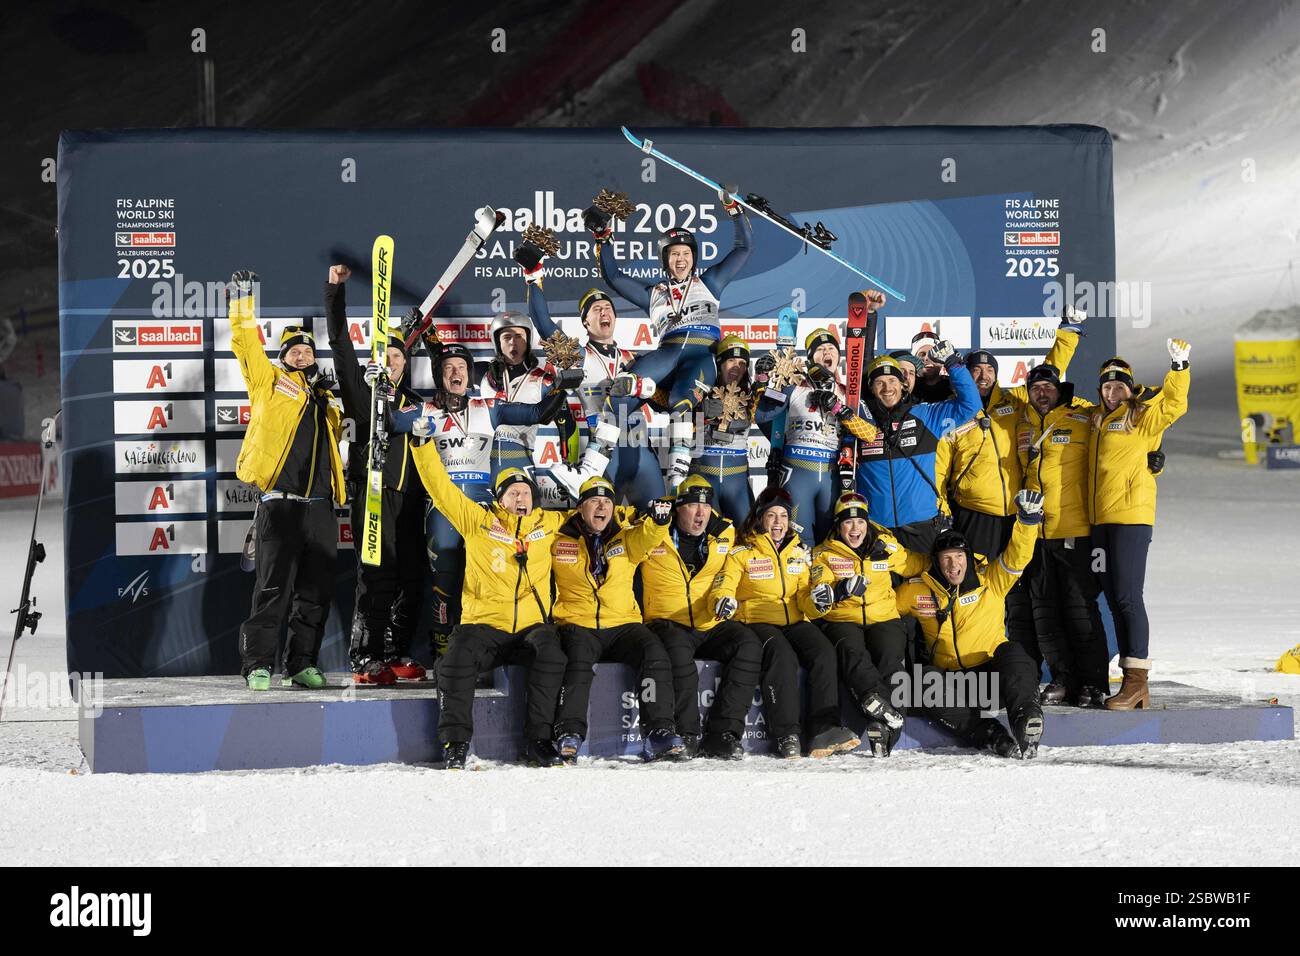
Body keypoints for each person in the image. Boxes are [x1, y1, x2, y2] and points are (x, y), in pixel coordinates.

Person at [409, 436, 568, 769]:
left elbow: (598, 515)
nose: (521, 497)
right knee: (453, 661)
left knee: (552, 652)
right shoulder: (477, 521)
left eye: (525, 492)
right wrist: (422, 446)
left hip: (531, 628)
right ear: (500, 499)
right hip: (484, 627)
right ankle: (455, 742)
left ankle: (540, 740)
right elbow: (440, 489)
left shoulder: (550, 524)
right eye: (513, 493)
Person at [412, 325, 565, 653]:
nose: (456, 373)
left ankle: (483, 641)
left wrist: (563, 384)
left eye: (462, 369)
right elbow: (445, 367)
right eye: (450, 370)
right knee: (446, 573)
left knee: (492, 572)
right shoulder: (435, 406)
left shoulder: (493, 404)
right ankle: (442, 644)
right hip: (445, 500)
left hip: (489, 493)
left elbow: (541, 413)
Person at [588, 188, 753, 490]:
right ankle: (588, 470)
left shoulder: (710, 282)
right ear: (665, 259)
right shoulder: (654, 294)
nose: (680, 260)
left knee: (682, 402)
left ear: (694, 257)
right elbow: (613, 275)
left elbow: (743, 249)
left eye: (686, 254)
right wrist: (603, 238)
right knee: (621, 391)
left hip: (701, 355)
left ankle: (677, 478)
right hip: (668, 353)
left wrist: (733, 209)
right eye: (674, 254)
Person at [228, 271, 344, 691]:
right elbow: (245, 343)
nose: (301, 356)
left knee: (315, 592)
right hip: (279, 502)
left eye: (307, 351)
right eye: (294, 351)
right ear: (284, 356)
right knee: (273, 588)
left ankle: (300, 664)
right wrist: (243, 299)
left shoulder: (325, 396)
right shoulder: (268, 382)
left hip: (320, 505)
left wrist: (326, 396)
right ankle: (257, 663)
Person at [323, 265, 428, 684]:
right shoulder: (360, 391)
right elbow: (338, 342)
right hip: (374, 491)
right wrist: (335, 292)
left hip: (412, 496)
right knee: (377, 574)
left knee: (412, 576)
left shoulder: (417, 402)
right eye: (386, 354)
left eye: (399, 355)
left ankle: (395, 651)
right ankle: (365, 657)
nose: (393, 361)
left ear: (406, 362)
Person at [895, 490, 1047, 758]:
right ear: (936, 562)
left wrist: (1027, 522)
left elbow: (1017, 557)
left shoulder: (991, 580)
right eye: (946, 558)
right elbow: (883, 609)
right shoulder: (918, 591)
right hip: (953, 687)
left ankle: (1027, 720)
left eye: (959, 557)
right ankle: (991, 735)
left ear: (968, 558)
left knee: (1013, 652)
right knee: (924, 681)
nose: (954, 565)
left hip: (991, 683)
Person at [713, 486, 860, 758]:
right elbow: (725, 585)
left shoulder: (798, 552)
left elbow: (804, 596)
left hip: (794, 619)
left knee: (823, 651)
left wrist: (816, 602)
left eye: (783, 516)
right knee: (782, 654)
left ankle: (823, 730)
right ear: (760, 518)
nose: (778, 523)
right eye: (772, 516)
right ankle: (787, 734)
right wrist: (724, 600)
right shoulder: (742, 552)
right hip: (756, 619)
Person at [1087, 339, 1191, 710]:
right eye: (1107, 386)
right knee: (1114, 599)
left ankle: (1136, 682)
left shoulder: (1141, 416)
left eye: (1120, 386)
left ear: (1130, 390)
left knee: (1129, 597)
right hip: (1100, 521)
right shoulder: (1096, 421)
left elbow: (1175, 405)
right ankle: (1129, 678)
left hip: (1131, 518)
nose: (1113, 392)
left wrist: (1178, 369)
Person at [935, 308, 1085, 560]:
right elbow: (939, 467)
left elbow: (1050, 372)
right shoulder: (952, 412)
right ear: (966, 375)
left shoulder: (1013, 401)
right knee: (981, 581)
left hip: (1017, 512)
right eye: (976, 370)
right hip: (975, 512)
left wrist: (1068, 332)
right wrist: (941, 508)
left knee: (1016, 582)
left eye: (989, 370)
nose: (984, 376)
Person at [551, 478, 684, 762]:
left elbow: (647, 536)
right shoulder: (557, 535)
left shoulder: (626, 537)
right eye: (595, 501)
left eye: (608, 502)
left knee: (654, 652)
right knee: (576, 662)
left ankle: (659, 731)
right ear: (580, 507)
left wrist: (660, 522)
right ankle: (569, 732)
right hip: (579, 622)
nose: (602, 507)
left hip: (623, 623)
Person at [642, 475, 763, 760]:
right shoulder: (653, 529)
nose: (701, 513)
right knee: (677, 652)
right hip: (667, 618)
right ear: (677, 507)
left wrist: (722, 598)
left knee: (748, 644)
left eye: (706, 507)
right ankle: (687, 733)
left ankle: (724, 733)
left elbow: (726, 575)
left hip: (709, 618)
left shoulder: (724, 532)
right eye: (694, 506)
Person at [1016, 363, 1109, 707]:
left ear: (1061, 389)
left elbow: (1122, 435)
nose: (1042, 393)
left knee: (1080, 610)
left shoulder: (1084, 414)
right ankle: (1063, 678)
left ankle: (1094, 683)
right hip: (1035, 533)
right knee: (1045, 611)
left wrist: (1149, 458)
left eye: (1049, 387)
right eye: (1036, 388)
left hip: (1074, 530)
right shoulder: (1022, 420)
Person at [524, 278, 662, 506]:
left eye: (608, 308)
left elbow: (663, 403)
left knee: (659, 526)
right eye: (596, 310)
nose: (604, 312)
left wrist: (650, 389)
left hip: (642, 454)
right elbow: (543, 324)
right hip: (606, 457)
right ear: (585, 322)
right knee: (602, 531)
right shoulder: (579, 358)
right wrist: (533, 275)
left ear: (615, 317)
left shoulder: (635, 359)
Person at [808, 493, 925, 756]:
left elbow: (914, 564)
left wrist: (953, 561)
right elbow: (820, 585)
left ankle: (884, 731)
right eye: (848, 523)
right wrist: (840, 588)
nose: (855, 529)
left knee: (891, 662)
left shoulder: (884, 544)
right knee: (853, 654)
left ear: (867, 523)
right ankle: (877, 701)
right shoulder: (824, 552)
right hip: (843, 618)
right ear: (838, 526)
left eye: (860, 522)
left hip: (884, 616)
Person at [855, 345, 982, 552]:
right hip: (876, 529)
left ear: (903, 385)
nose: (887, 388)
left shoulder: (925, 415)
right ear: (870, 387)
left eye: (892, 381)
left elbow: (970, 405)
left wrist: (952, 364)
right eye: (880, 382)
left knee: (921, 585)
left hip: (921, 527)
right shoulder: (859, 421)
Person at [755, 327, 862, 545]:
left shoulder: (847, 393)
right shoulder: (794, 388)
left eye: (831, 348)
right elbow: (763, 416)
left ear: (838, 356)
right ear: (811, 357)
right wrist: (764, 381)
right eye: (820, 349)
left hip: (832, 476)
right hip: (797, 474)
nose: (826, 352)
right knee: (799, 543)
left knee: (833, 543)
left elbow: (865, 432)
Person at [690, 334, 757, 526]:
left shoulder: (751, 397)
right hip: (703, 477)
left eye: (743, 362)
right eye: (731, 360)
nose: (737, 367)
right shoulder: (698, 391)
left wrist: (761, 384)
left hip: (737, 483)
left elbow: (771, 412)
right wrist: (701, 415)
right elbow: (673, 411)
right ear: (719, 364)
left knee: (745, 536)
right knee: (706, 539)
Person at [907, 331, 953, 403]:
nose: (926, 358)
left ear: (942, 359)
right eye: (922, 354)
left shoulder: (954, 387)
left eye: (932, 354)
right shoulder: (907, 389)